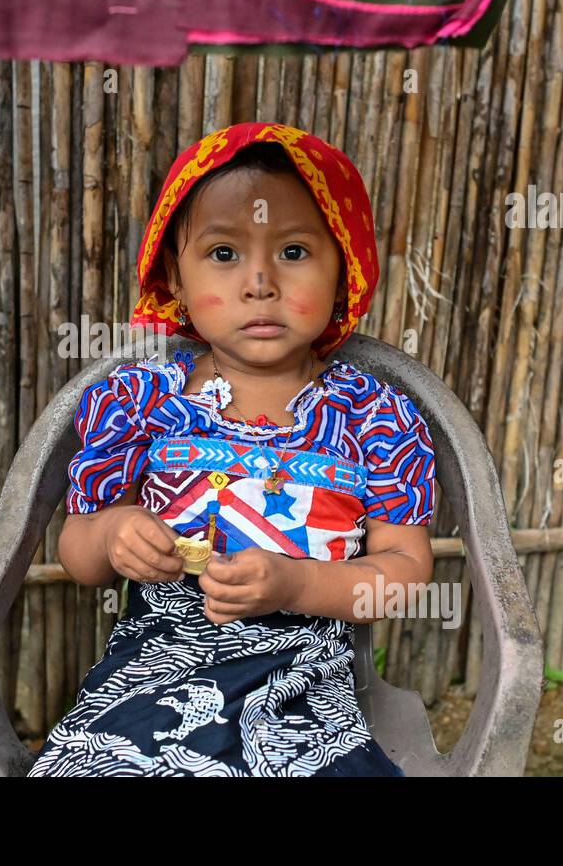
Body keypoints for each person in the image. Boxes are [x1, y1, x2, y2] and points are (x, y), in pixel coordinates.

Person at [29, 122, 436, 776]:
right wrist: (115, 533)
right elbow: (79, 554)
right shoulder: (142, 402)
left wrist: (295, 580)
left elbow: (402, 576)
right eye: (223, 254)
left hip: (303, 684)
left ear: (346, 269)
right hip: (150, 674)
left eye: (295, 251)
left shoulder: (375, 416)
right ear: (175, 277)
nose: (259, 282)